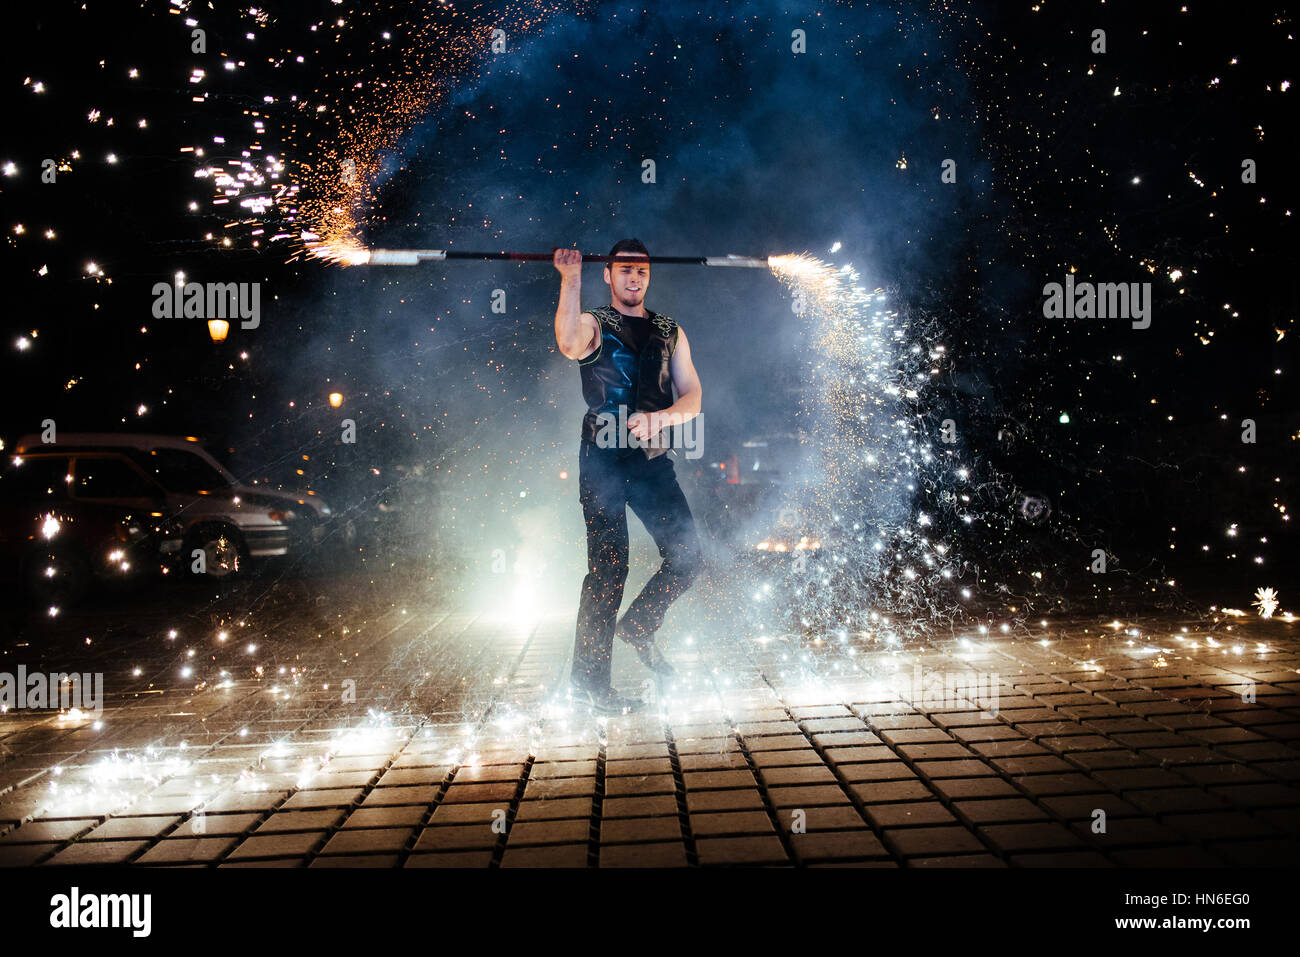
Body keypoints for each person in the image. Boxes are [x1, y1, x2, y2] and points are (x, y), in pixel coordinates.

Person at [553, 239, 705, 714]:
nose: (633, 278)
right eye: (624, 270)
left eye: (641, 270)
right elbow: (567, 342)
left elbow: (693, 397)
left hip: (652, 459)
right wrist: (570, 279)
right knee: (608, 570)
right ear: (609, 275)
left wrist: (661, 419)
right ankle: (589, 685)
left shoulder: (670, 330)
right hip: (603, 460)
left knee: (687, 556)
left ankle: (638, 624)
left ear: (649, 276)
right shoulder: (596, 323)